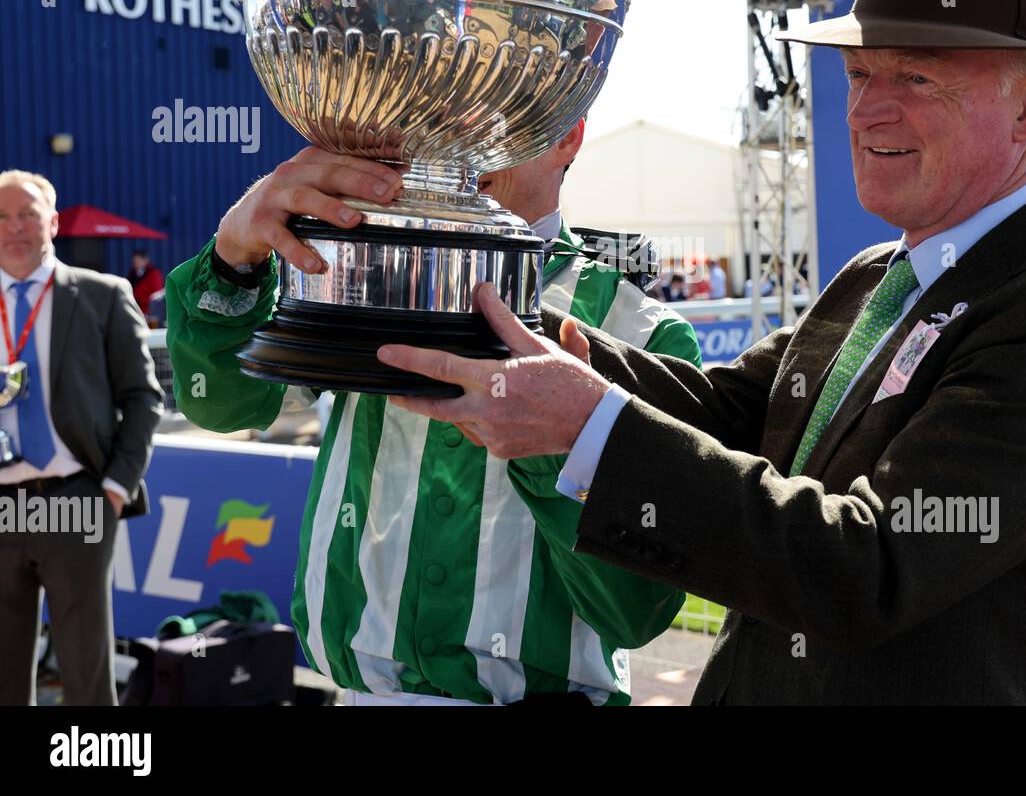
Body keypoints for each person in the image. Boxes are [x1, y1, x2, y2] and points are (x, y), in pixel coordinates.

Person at [376, 0, 1026, 705]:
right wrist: (475, 312)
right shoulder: (880, 274)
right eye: (860, 73)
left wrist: (587, 427)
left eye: (918, 76)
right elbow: (729, 412)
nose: (866, 110)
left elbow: (869, 569)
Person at [165, 118, 701, 706]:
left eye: (498, 113)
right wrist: (233, 255)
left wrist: (559, 439)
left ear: (567, 134)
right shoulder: (361, 269)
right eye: (446, 116)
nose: (457, 143)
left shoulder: (643, 331)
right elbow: (221, 403)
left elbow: (636, 611)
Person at [0, 170, 163, 705]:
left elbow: (143, 398)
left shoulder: (102, 295)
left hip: (76, 498)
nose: (14, 227)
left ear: (53, 221)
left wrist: (114, 489)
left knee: (86, 671)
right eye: (2, 216)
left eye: (27, 214)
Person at [127, 249, 164, 317]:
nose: (135, 262)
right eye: (134, 260)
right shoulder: (132, 273)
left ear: (145, 260)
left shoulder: (153, 273)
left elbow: (157, 294)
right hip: (135, 309)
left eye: (138, 260)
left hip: (149, 312)